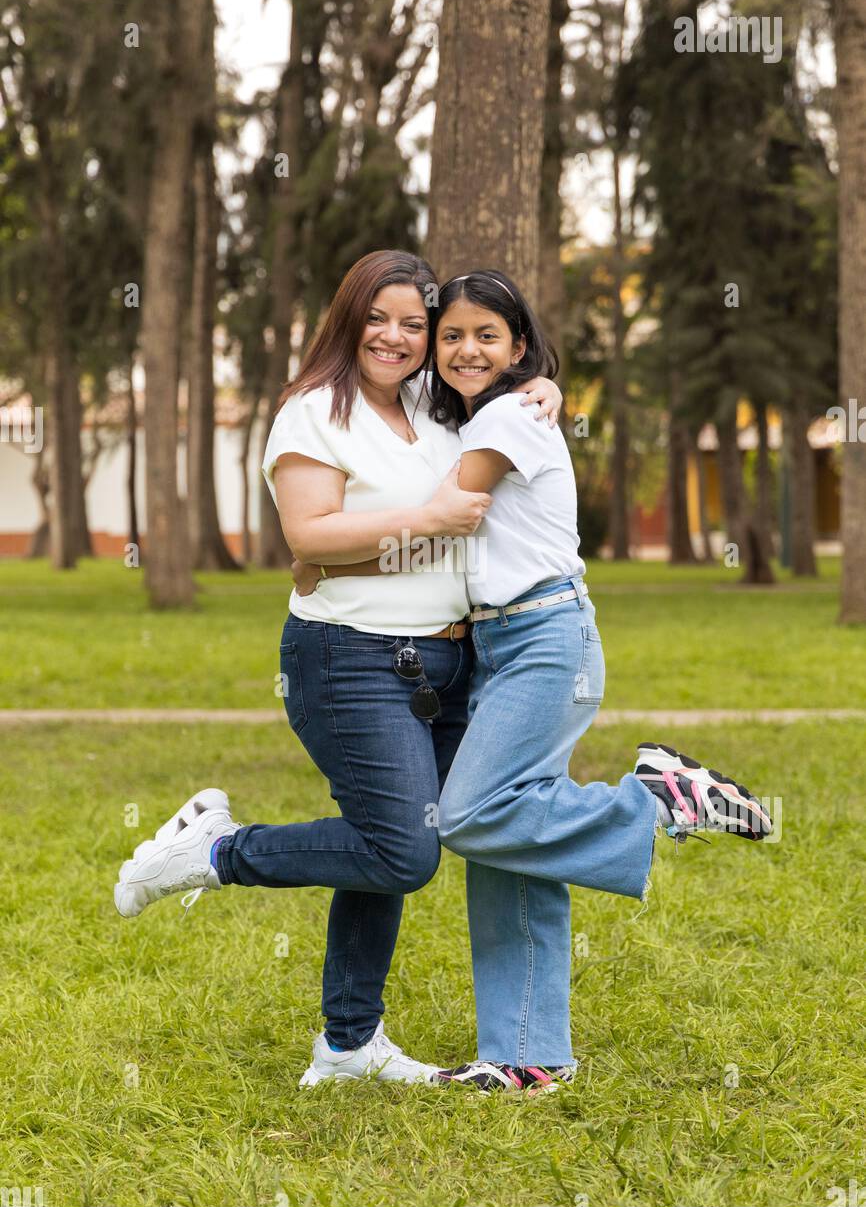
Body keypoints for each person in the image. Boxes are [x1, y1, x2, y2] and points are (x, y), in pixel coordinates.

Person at [113, 250, 563, 1089]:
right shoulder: (314, 411)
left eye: (414, 324)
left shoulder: (434, 407)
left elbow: (501, 391)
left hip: (450, 658)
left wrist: (546, 389)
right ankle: (217, 850)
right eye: (378, 318)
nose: (396, 337)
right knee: (402, 850)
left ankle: (349, 1043)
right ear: (348, 318)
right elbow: (309, 538)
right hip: (348, 659)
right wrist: (426, 515)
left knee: (384, 839)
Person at [415, 269, 772, 1092]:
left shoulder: (509, 416)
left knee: (471, 814)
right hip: (499, 646)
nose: (468, 349)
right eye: (453, 336)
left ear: (518, 346)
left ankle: (657, 801)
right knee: (512, 844)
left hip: (544, 636)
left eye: (488, 336)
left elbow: (448, 507)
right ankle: (528, 1057)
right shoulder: (487, 414)